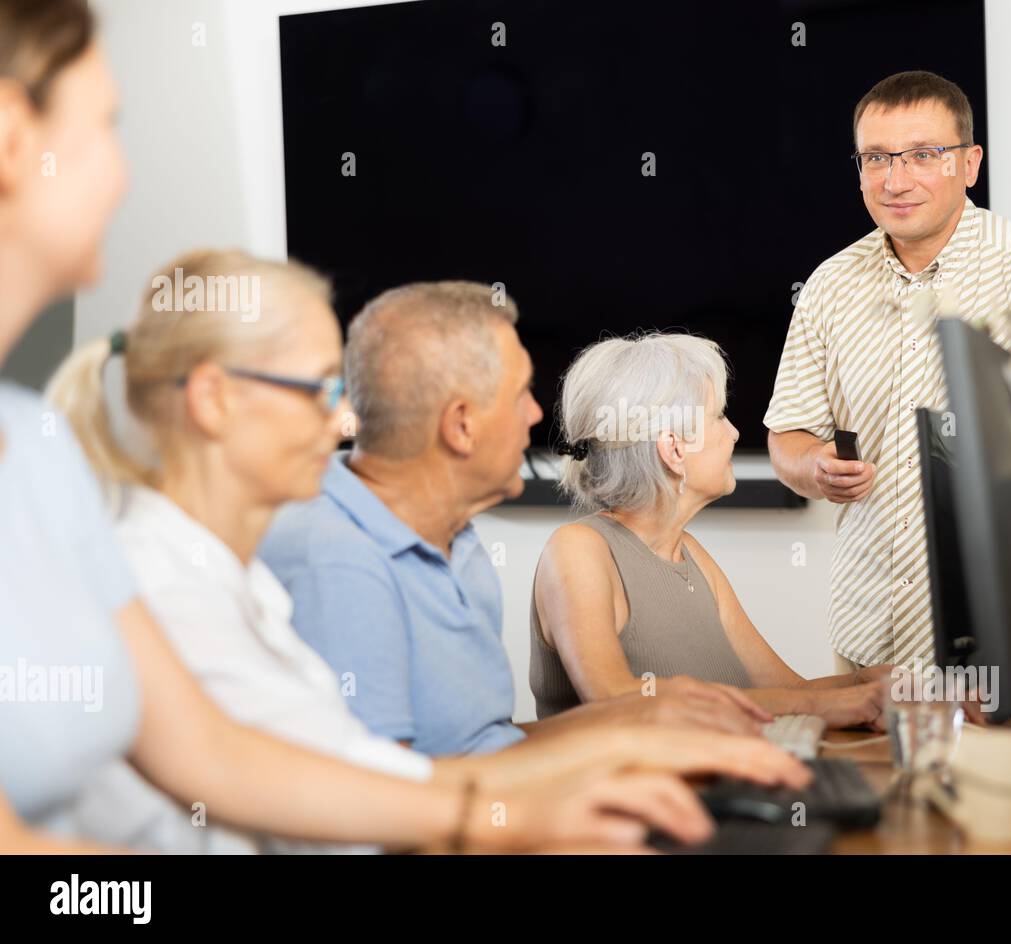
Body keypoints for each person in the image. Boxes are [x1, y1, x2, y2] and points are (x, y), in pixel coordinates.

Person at [0, 0, 789, 854]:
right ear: (13, 136)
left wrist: (577, 774)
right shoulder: (295, 555)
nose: (342, 418)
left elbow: (227, 761)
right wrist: (560, 783)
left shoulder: (41, 455)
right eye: (105, 125)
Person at [45, 249, 805, 852]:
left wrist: (625, 744)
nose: (347, 420)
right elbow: (355, 795)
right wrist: (585, 773)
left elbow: (372, 773)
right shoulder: (233, 569)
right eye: (315, 390)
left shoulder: (245, 584)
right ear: (213, 400)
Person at [261, 282, 773, 756]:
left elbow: (481, 746)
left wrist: (650, 726)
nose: (535, 414)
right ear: (461, 425)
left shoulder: (458, 543)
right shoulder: (337, 560)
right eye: (520, 394)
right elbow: (385, 798)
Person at [764, 70, 1011, 674]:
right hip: (867, 631)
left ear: (970, 164)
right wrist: (815, 467)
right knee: (869, 773)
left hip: (1009, 635)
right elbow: (787, 438)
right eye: (876, 158)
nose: (896, 180)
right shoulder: (830, 284)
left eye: (923, 155)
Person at [529, 332, 897, 727]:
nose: (735, 432)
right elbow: (617, 701)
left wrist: (868, 683)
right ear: (673, 449)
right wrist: (834, 704)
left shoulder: (690, 554)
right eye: (719, 415)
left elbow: (788, 692)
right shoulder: (578, 550)